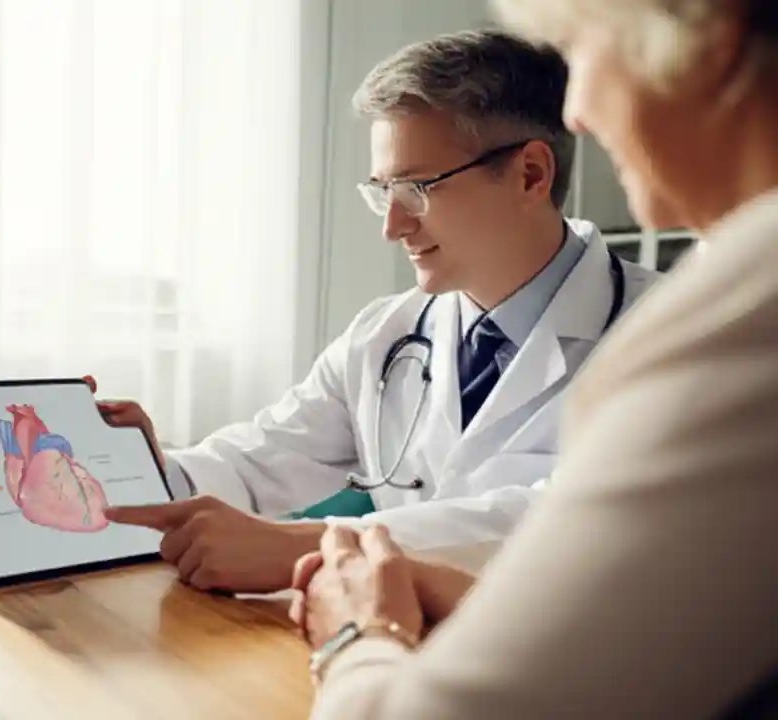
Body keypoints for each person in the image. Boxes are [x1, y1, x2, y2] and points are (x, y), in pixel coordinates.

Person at [291, 0, 778, 716]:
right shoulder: (390, 329)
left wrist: (357, 636)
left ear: (712, 38)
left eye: (582, 48)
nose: (575, 111)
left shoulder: (743, 321)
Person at [94, 30, 659, 593]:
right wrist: (142, 468)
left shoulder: (664, 333)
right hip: (387, 642)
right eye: (382, 191)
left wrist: (312, 544)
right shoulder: (384, 335)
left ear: (531, 175)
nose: (393, 226)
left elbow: (564, 522)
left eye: (416, 189)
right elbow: (263, 457)